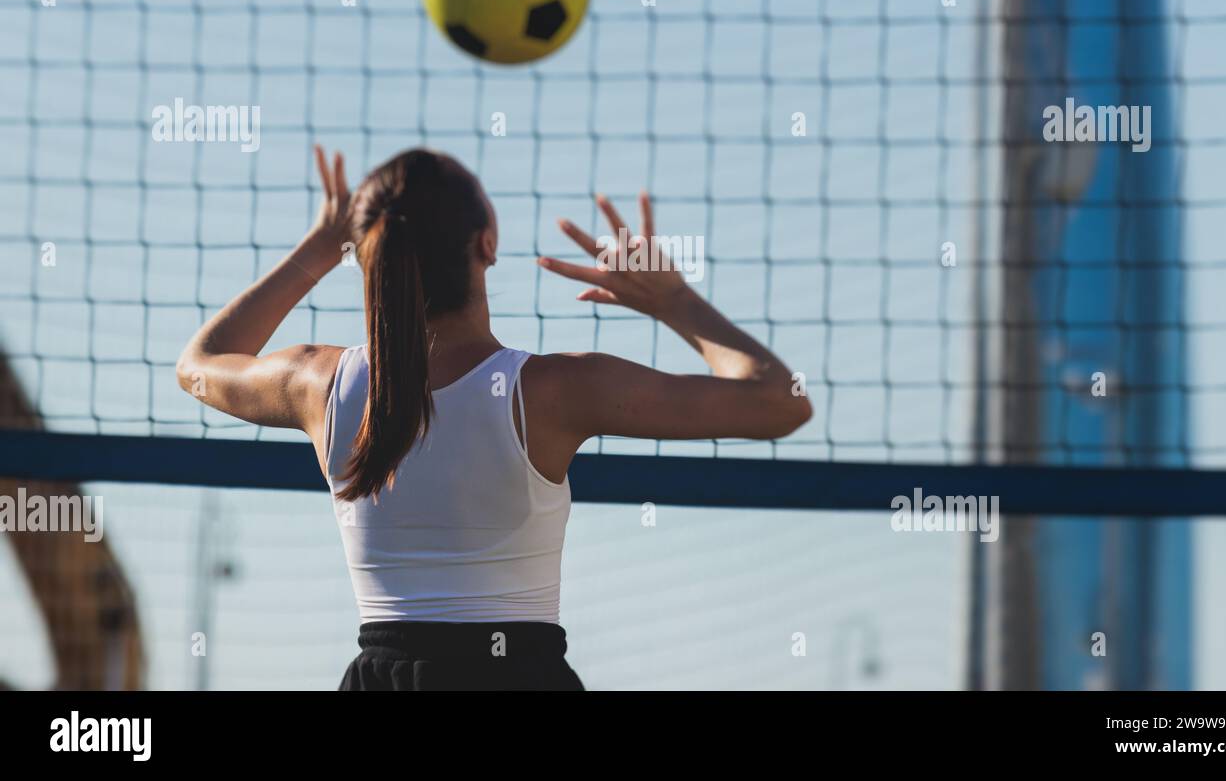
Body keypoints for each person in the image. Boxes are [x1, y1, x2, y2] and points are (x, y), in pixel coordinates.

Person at [176, 145, 812, 690]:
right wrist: (673, 301)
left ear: (366, 252)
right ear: (487, 244)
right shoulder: (555, 391)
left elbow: (199, 365)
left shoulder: (319, 385)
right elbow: (780, 402)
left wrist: (319, 250)